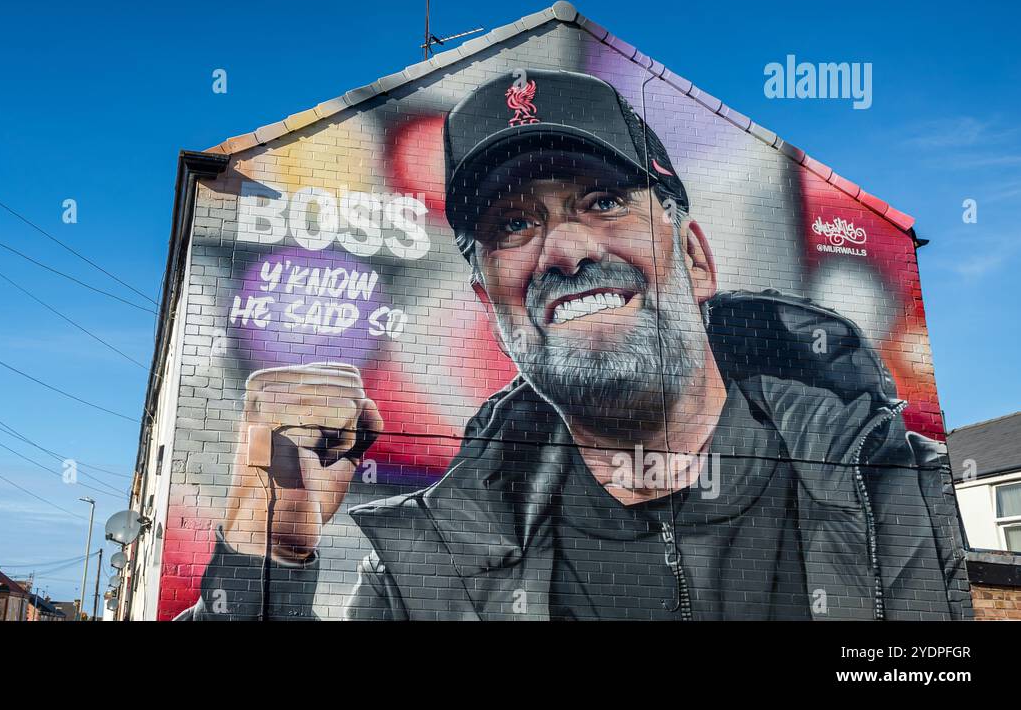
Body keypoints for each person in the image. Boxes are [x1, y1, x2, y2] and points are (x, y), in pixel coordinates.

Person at [182, 70, 965, 620]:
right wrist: (266, 549)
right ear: (493, 309)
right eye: (515, 225)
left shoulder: (899, 495)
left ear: (696, 259)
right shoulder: (427, 572)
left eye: (603, 200)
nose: (564, 250)